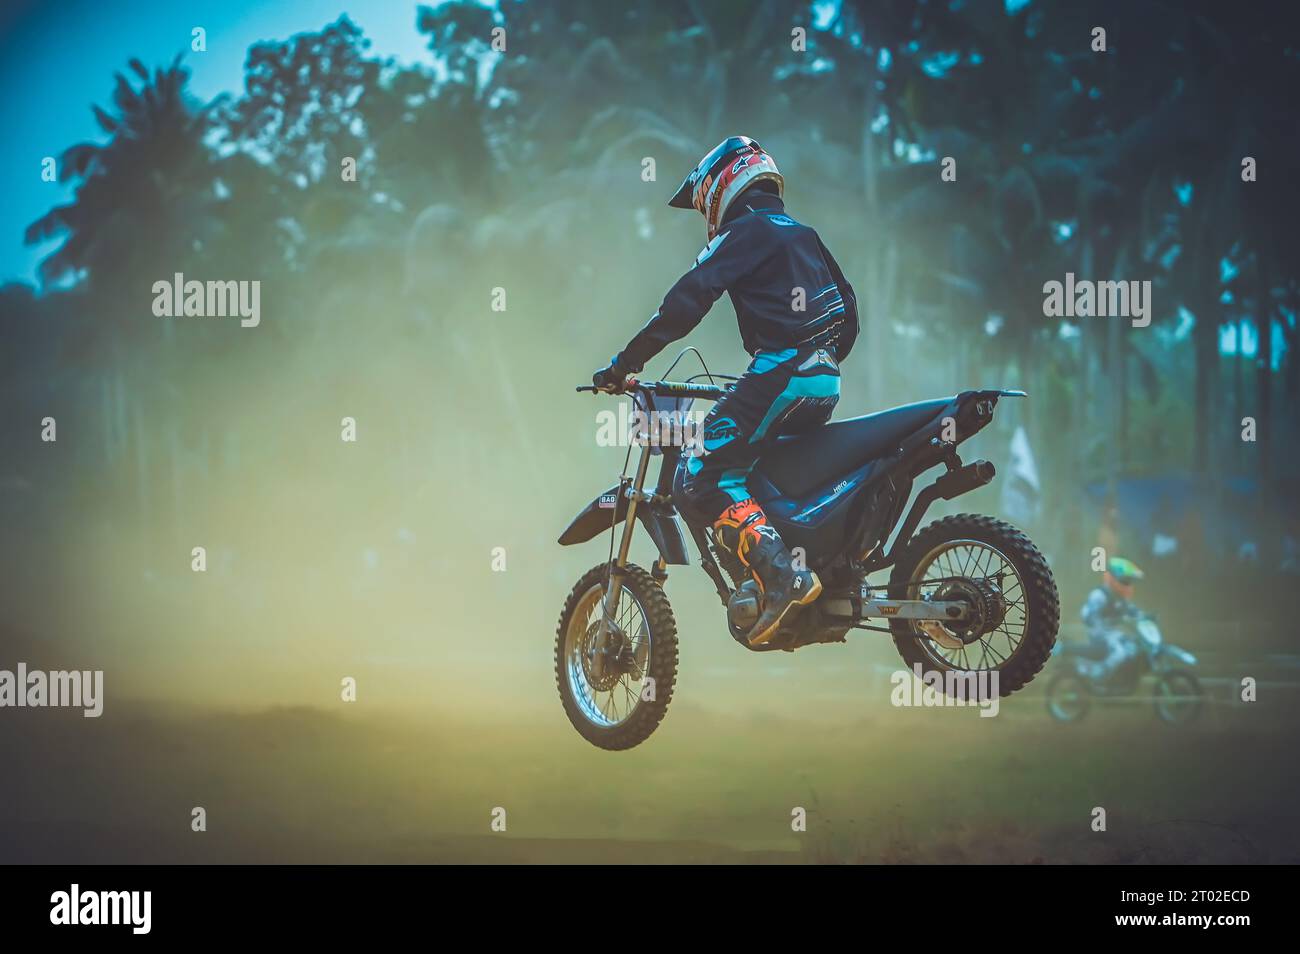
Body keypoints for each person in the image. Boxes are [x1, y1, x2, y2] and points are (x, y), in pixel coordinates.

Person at [592, 136, 859, 646]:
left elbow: (686, 301)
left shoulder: (744, 231)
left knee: (699, 472)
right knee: (753, 465)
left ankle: (785, 576)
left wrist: (625, 363)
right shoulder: (804, 234)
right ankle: (797, 562)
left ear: (720, 185)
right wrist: (815, 361)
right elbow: (849, 311)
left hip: (783, 372)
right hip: (825, 379)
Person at [1079, 557, 1145, 680]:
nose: (1128, 586)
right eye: (1125, 581)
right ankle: (1099, 674)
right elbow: (1087, 615)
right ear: (1112, 578)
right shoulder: (1099, 595)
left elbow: (1132, 610)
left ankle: (1122, 678)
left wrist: (1145, 617)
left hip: (1112, 633)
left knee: (1133, 647)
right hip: (1099, 634)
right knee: (1119, 652)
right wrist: (1103, 618)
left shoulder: (1119, 597)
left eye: (1129, 582)